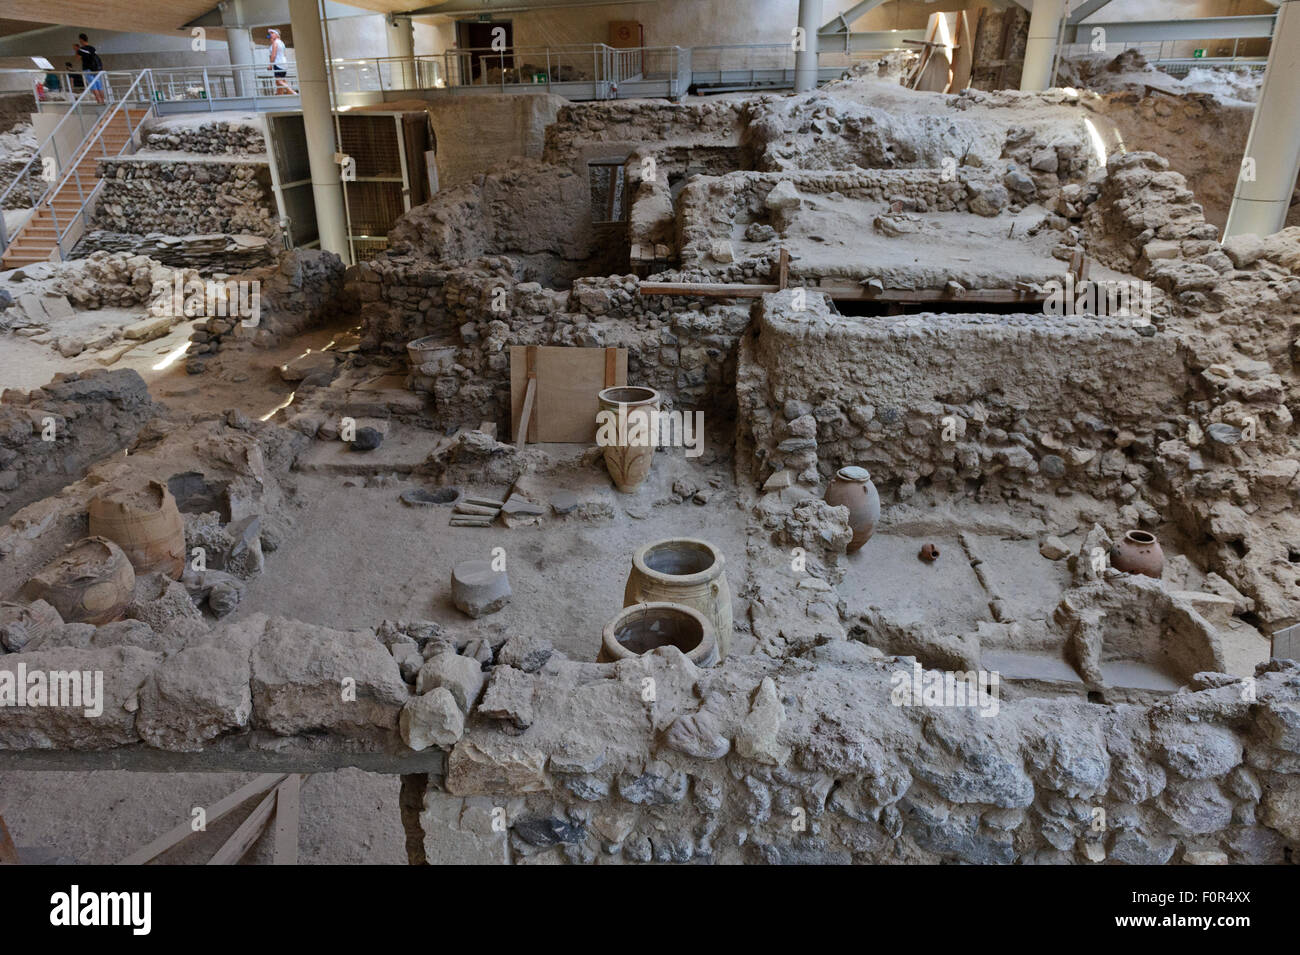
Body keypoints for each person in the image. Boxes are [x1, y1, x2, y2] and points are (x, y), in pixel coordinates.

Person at [74, 34, 104, 104]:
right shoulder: (93, 48)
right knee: (99, 85)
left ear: (81, 39)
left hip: (87, 69)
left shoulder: (82, 49)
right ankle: (103, 100)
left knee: (93, 86)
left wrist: (76, 50)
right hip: (95, 69)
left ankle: (98, 101)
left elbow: (77, 58)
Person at [268, 29, 293, 94]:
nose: (271, 35)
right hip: (283, 63)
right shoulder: (282, 43)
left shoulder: (275, 43)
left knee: (279, 81)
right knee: (280, 83)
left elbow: (273, 55)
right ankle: (280, 95)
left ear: (277, 34)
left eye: (272, 33)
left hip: (278, 63)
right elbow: (284, 54)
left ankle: (292, 92)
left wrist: (270, 65)